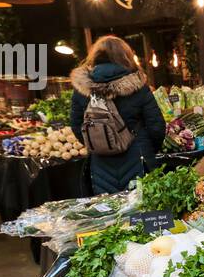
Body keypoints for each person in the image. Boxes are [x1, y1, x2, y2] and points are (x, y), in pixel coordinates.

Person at [69, 35, 166, 194]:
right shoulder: (138, 86)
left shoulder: (82, 89)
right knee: (142, 211)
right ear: (125, 56)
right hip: (138, 158)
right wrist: (147, 147)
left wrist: (98, 142)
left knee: (110, 213)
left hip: (100, 164)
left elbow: (76, 125)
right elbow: (156, 126)